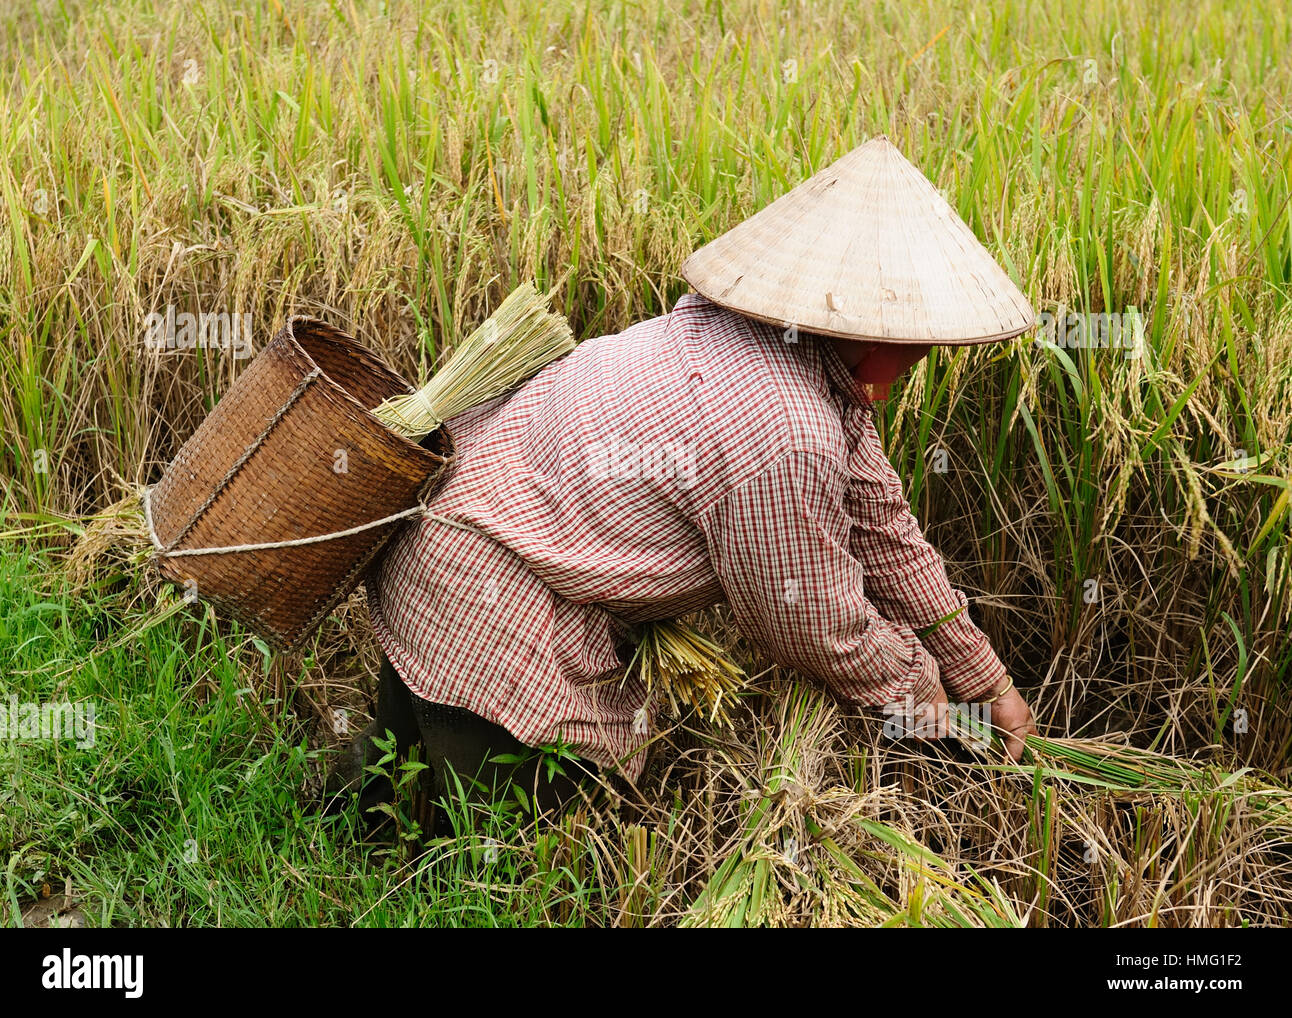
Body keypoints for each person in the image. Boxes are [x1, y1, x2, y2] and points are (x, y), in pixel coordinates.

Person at [332, 136, 1039, 831]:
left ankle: (352, 834)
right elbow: (814, 626)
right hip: (489, 600)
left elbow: (885, 530)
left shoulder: (778, 351)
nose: (925, 352)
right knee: (507, 852)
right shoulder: (784, 430)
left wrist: (987, 683)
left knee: (392, 787)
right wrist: (924, 700)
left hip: (450, 538)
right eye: (922, 336)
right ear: (882, 329)